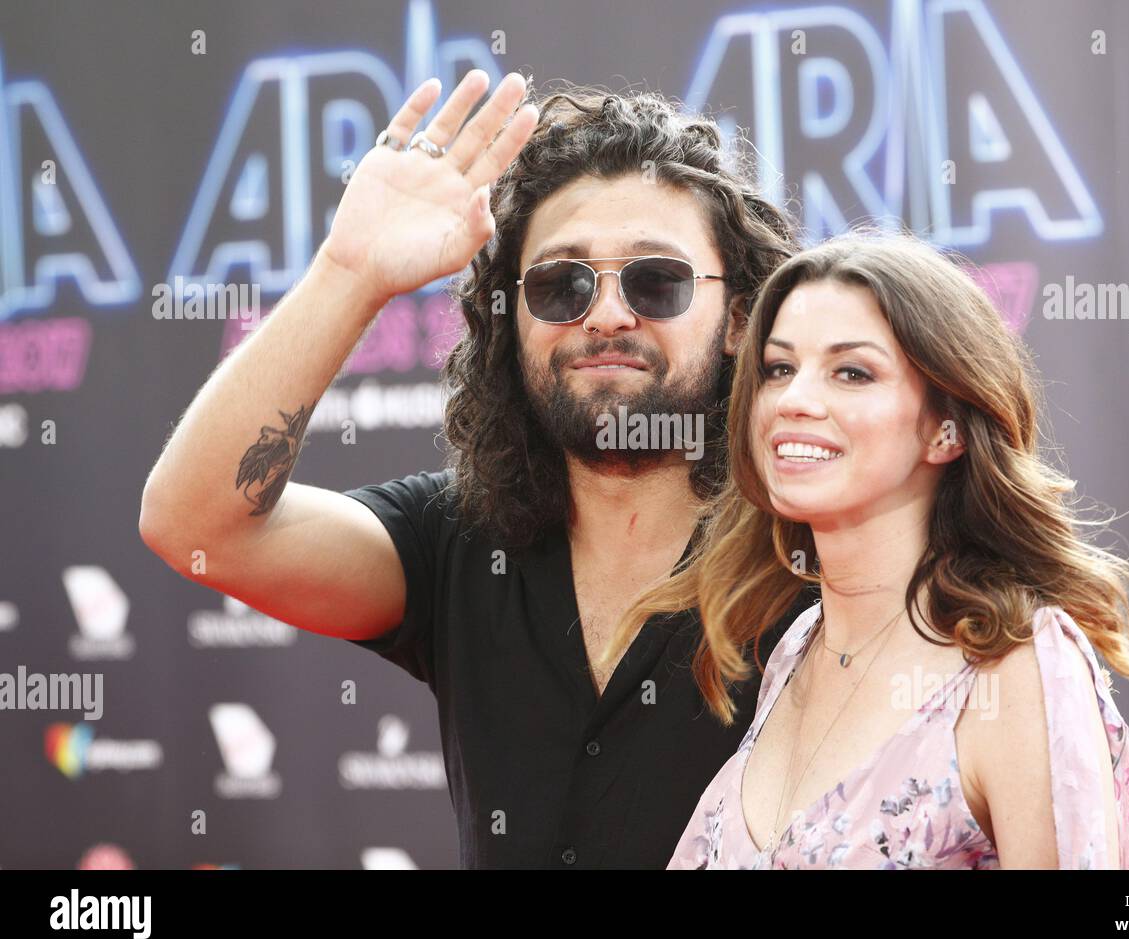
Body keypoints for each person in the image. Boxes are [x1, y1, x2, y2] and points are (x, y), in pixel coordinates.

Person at [138, 70, 808, 868]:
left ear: (740, 317)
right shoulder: (458, 539)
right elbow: (195, 525)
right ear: (512, 317)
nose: (605, 313)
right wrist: (351, 274)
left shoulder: (815, 550)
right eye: (561, 284)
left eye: (655, 280)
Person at [606, 229, 1129, 869]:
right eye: (779, 369)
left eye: (852, 372)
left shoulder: (1017, 666)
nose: (794, 400)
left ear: (945, 430)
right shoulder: (798, 649)